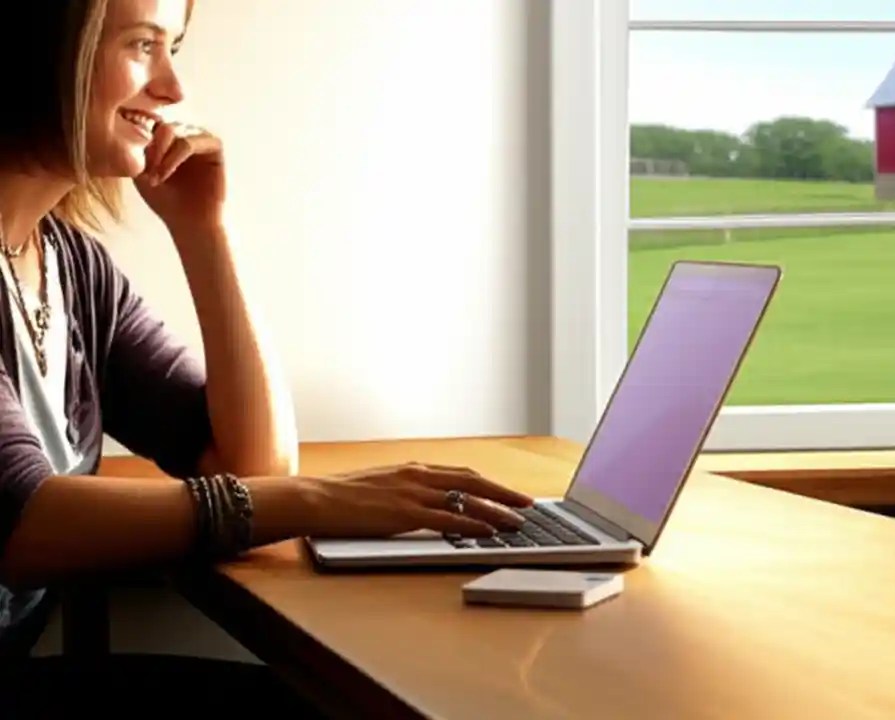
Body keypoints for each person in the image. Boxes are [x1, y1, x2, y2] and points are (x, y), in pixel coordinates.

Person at [0, 1, 533, 715]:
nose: (171, 89)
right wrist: (320, 501)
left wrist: (205, 231)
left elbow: (250, 464)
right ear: (41, 50)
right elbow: (25, 525)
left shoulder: (72, 268)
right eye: (142, 45)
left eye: (174, 49)